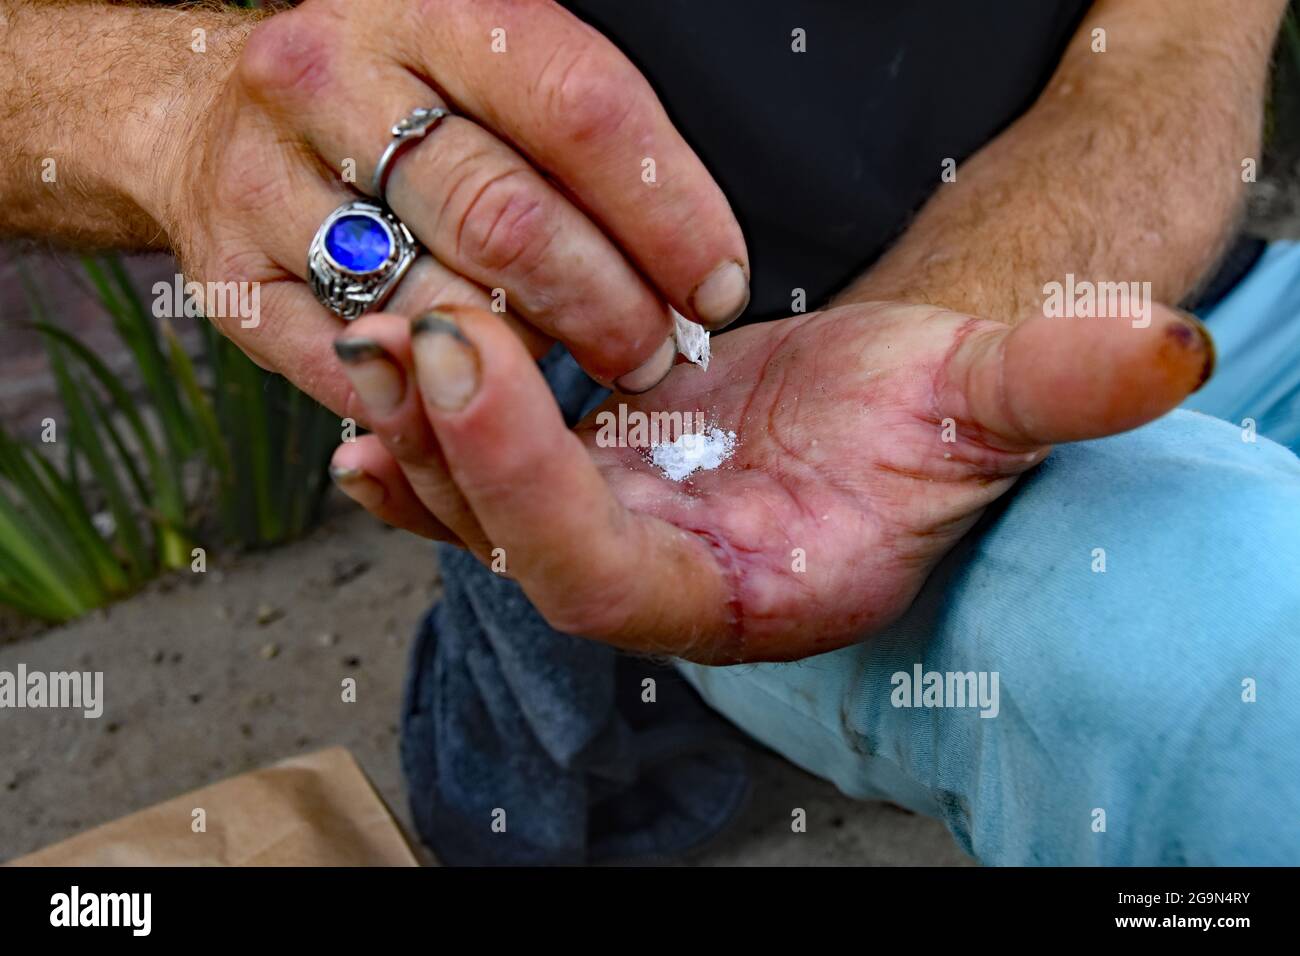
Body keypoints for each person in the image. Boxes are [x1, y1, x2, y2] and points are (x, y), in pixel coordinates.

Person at [3, 0, 1298, 863]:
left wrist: (936, 347)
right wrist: (171, 110)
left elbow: (1180, 49)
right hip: (694, 443)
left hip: (1188, 302)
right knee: (1248, 690)